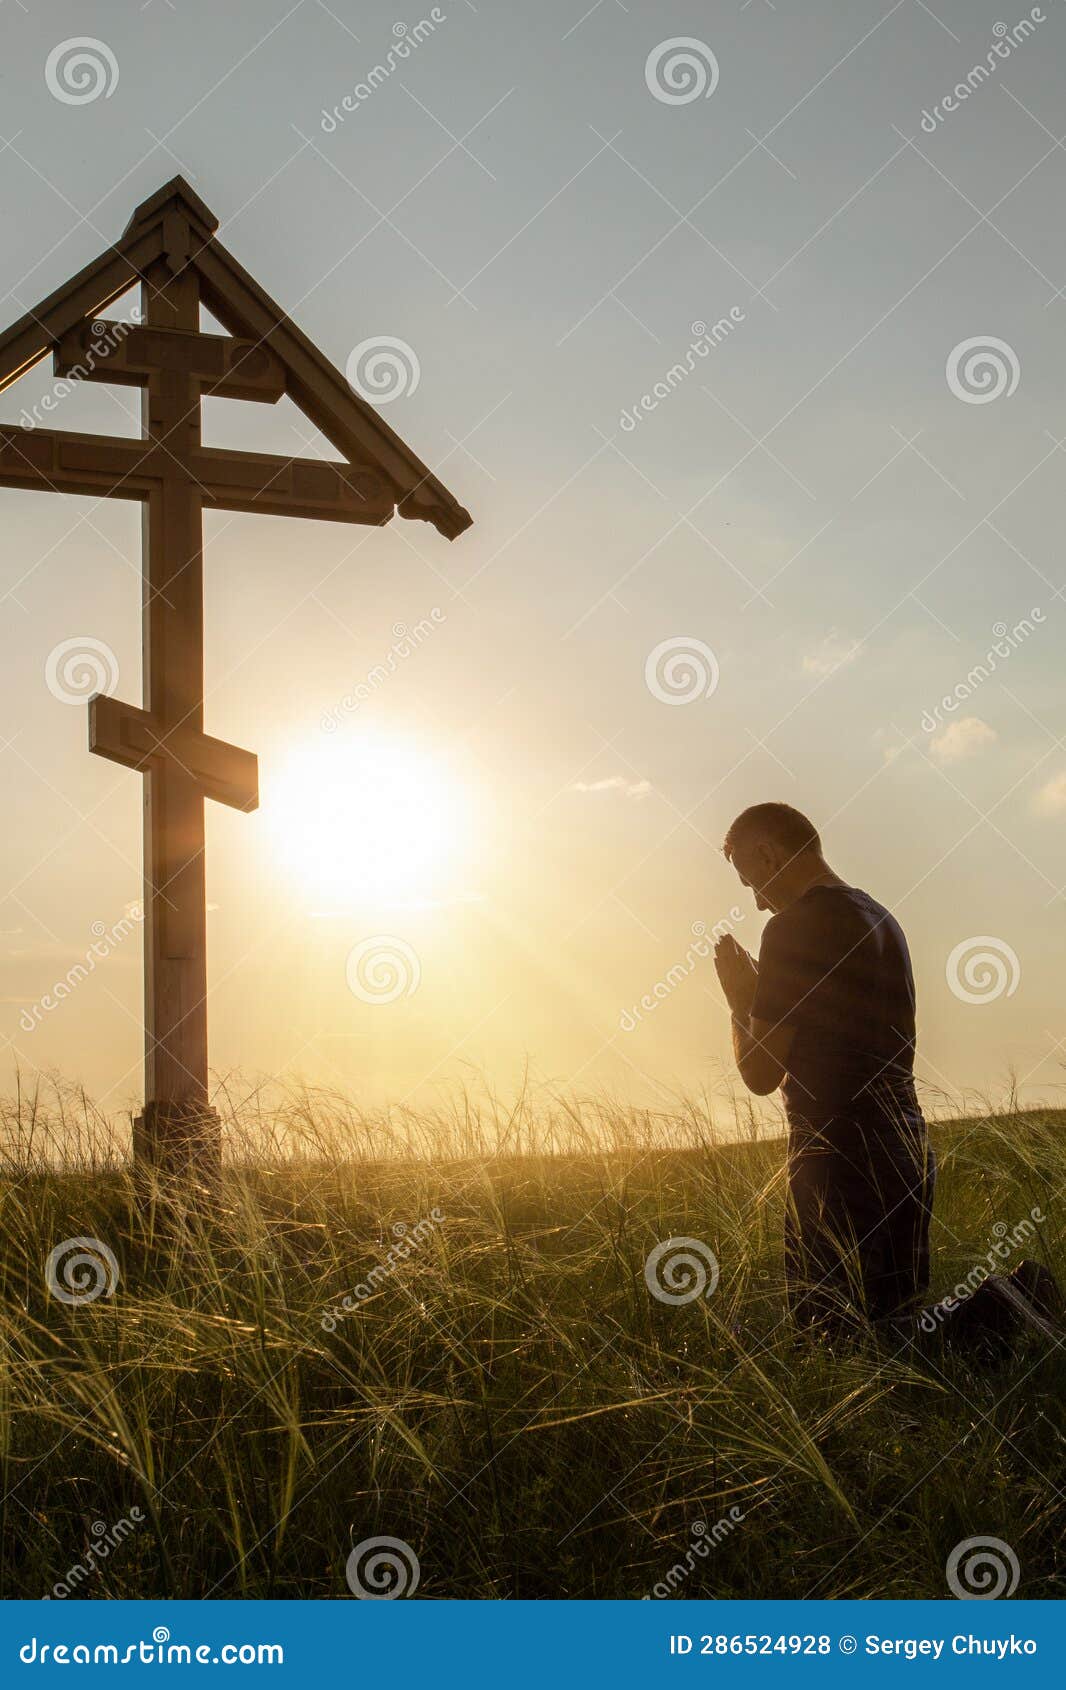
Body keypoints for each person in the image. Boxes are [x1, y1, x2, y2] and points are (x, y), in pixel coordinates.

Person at [714, 803, 934, 1331]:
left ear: (768, 854)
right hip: (906, 1144)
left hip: (836, 1154)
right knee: (896, 1323)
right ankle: (1007, 1304)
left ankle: (1007, 1302)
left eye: (751, 882)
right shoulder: (882, 917)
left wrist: (740, 1000)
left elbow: (761, 1075)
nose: (759, 903)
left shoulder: (792, 929)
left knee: (832, 1338)